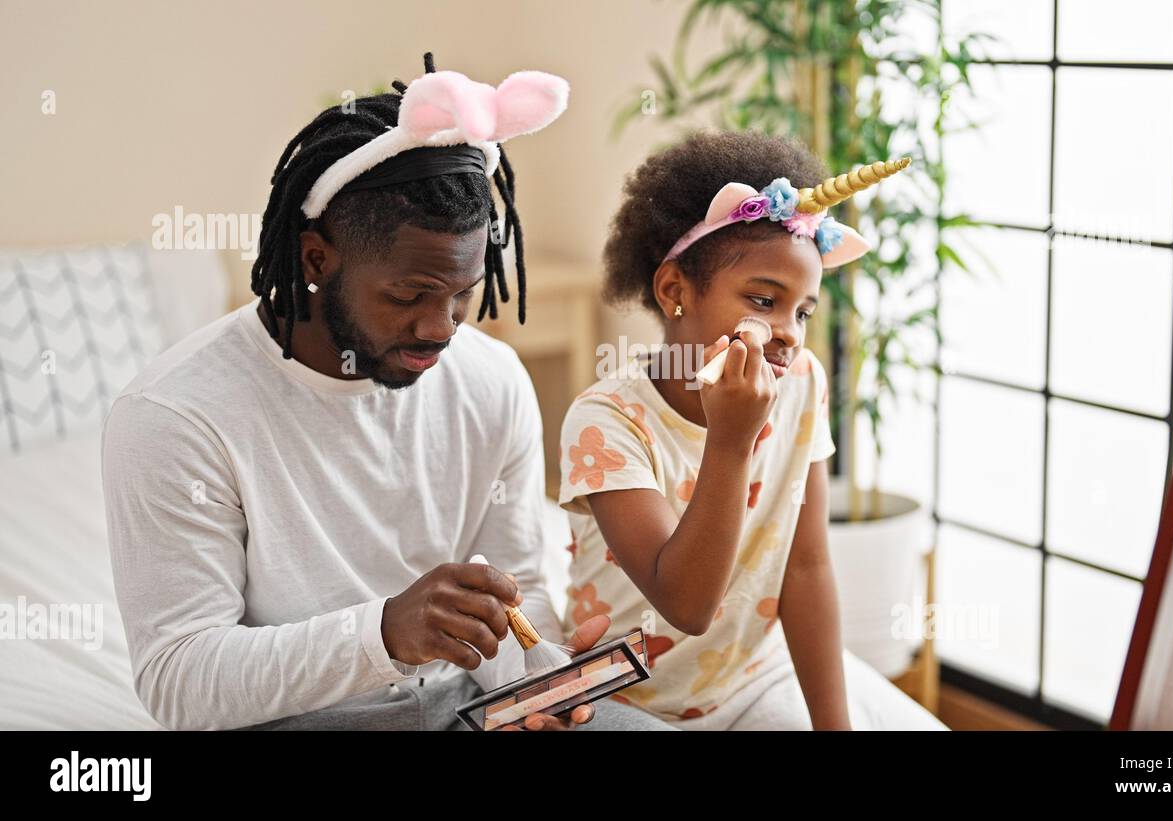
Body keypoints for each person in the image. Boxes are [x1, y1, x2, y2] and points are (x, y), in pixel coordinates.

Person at [101, 52, 672, 732]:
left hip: (471, 709)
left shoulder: (491, 381)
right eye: (408, 295)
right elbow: (180, 680)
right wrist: (385, 634)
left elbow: (518, 596)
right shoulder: (176, 415)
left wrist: (540, 676)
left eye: (463, 295)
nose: (440, 328)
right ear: (317, 258)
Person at [555, 130, 948, 730]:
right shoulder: (606, 421)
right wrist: (731, 440)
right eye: (763, 300)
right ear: (674, 291)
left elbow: (806, 566)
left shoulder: (802, 383)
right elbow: (687, 605)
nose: (789, 330)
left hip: (752, 677)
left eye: (804, 311)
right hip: (622, 698)